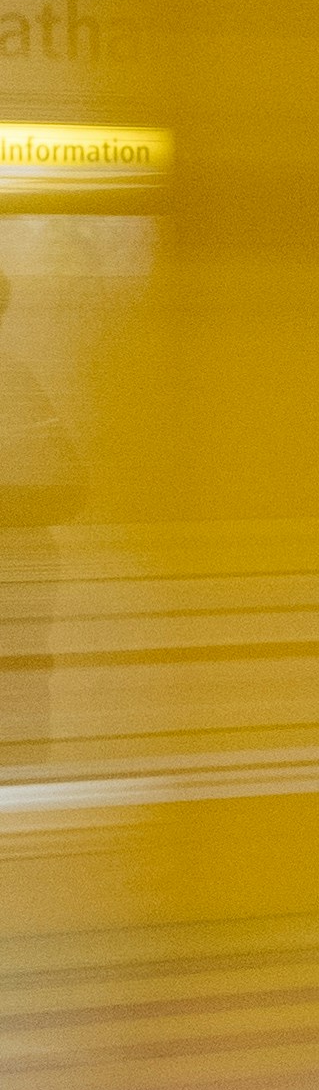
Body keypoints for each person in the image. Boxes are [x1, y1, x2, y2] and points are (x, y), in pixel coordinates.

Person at [0, 251, 83, 769]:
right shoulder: (22, 386)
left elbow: (69, 484)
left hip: (20, 563)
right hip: (28, 561)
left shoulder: (16, 386)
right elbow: (71, 484)